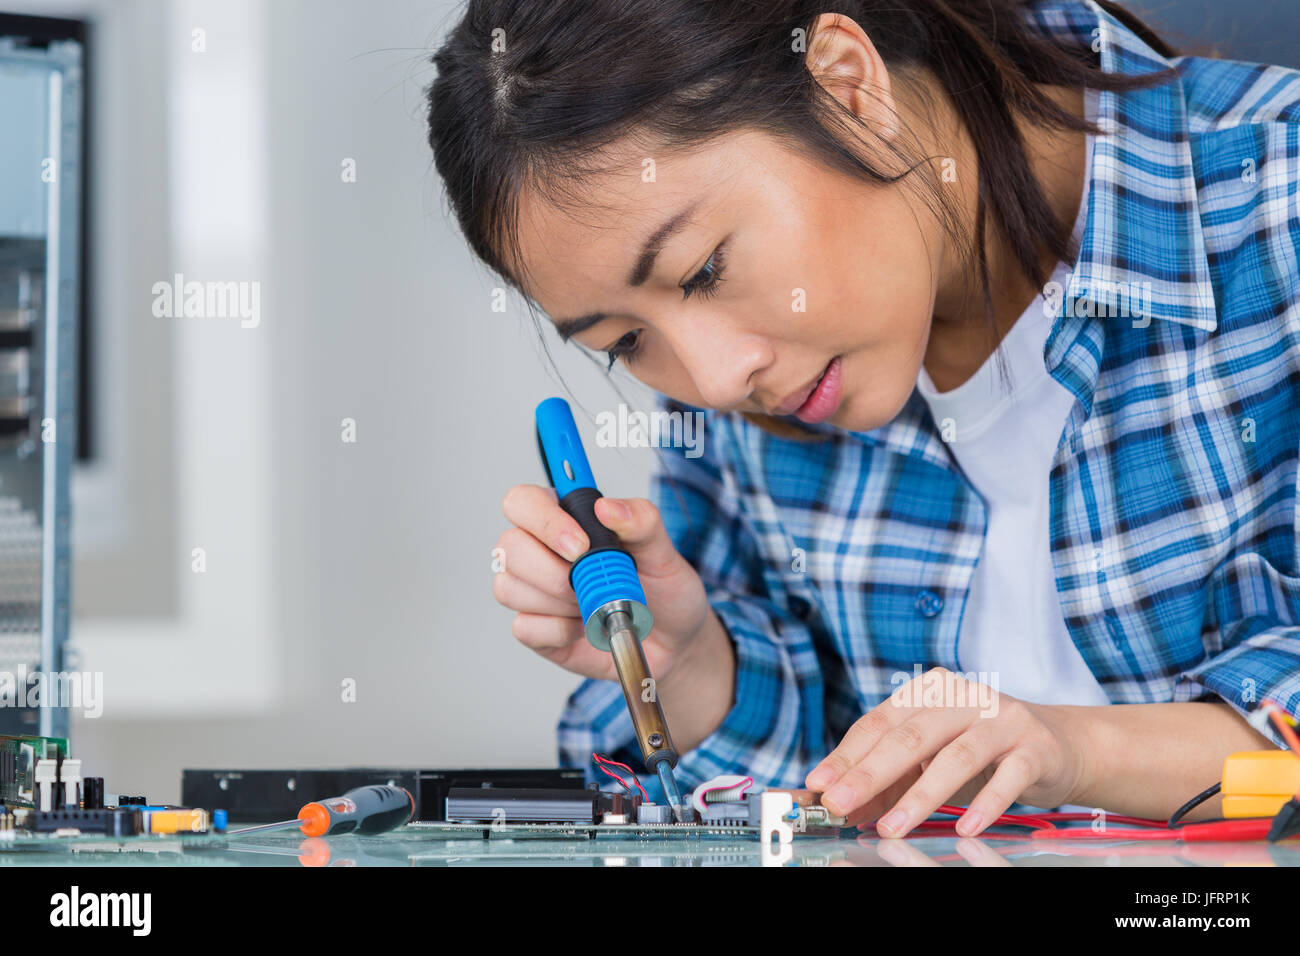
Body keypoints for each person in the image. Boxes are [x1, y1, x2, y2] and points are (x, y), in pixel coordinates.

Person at [425, 0, 1300, 837]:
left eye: (703, 271)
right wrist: (688, 663)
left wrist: (1076, 750)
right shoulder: (746, 392)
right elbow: (797, 805)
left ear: (848, 86)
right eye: (625, 341)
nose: (718, 378)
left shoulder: (1279, 206)